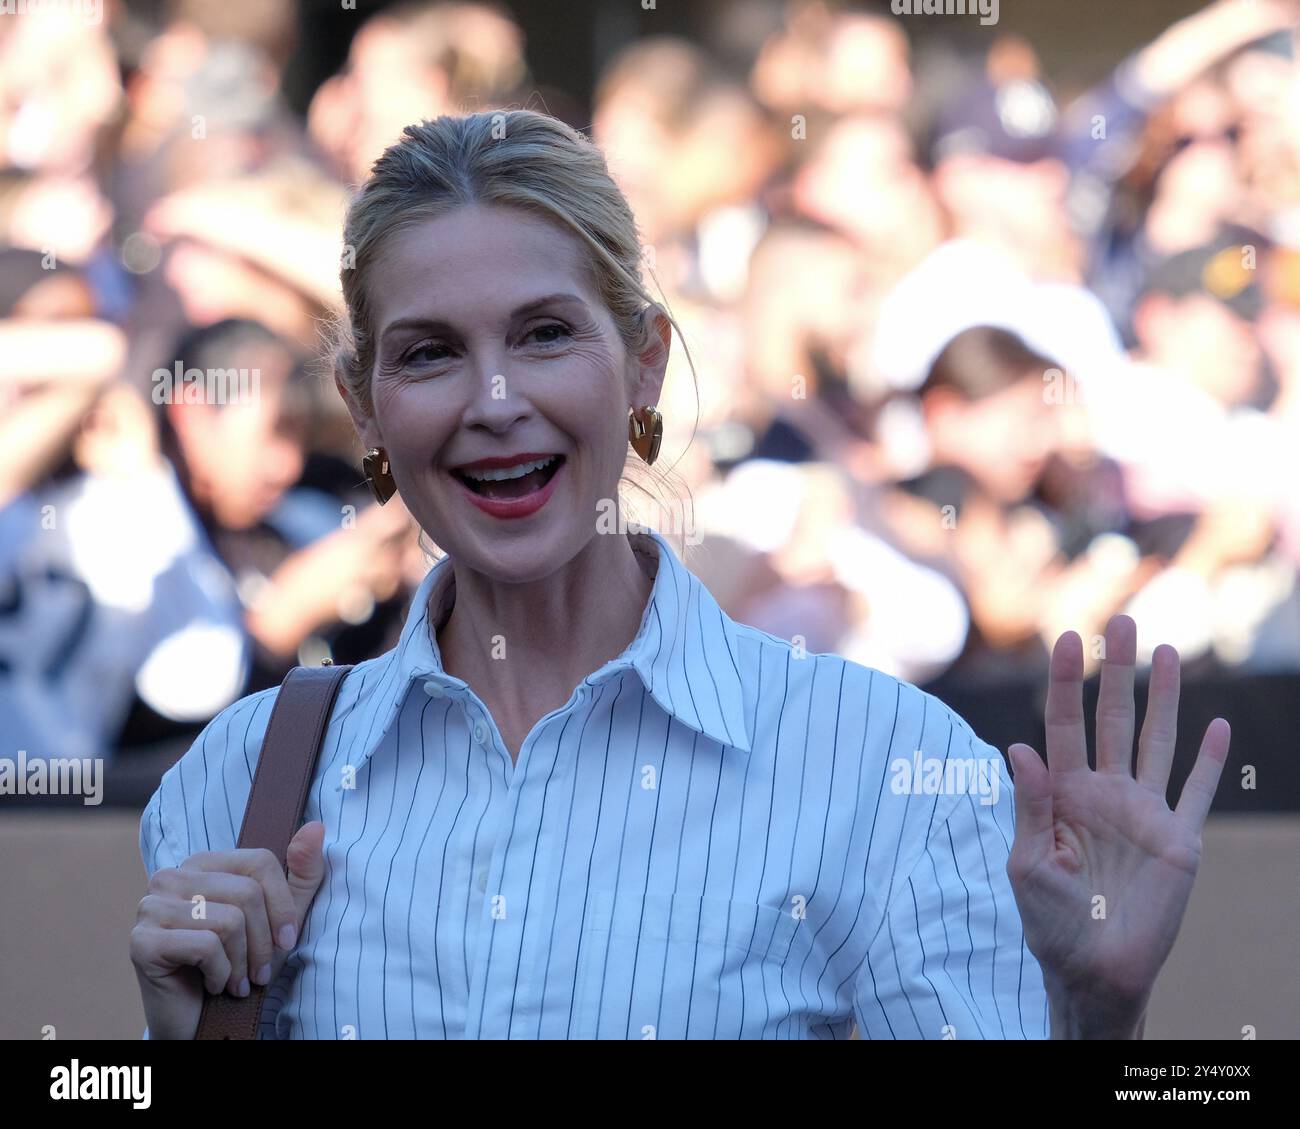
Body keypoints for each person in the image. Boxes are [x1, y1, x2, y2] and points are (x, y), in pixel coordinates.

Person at [131, 110, 1229, 1040]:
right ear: (364, 402)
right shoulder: (240, 785)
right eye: (428, 353)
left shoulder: (888, 765)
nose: (495, 400)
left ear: (644, 359)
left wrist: (1091, 1015)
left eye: (547, 333)